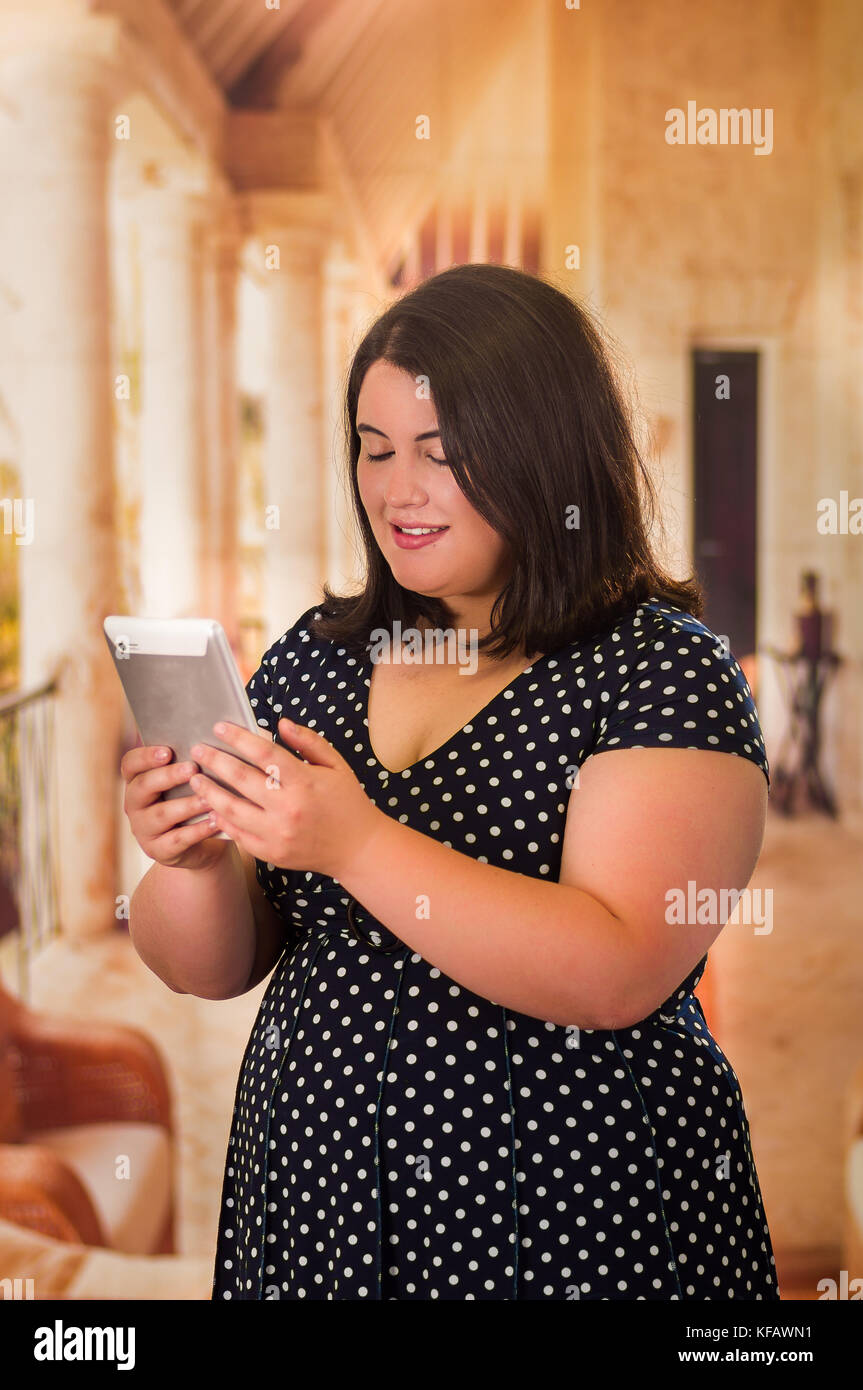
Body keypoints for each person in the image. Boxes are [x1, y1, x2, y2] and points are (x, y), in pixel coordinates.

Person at [123, 263, 779, 1301]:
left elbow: (617, 969)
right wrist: (195, 861)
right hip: (318, 1198)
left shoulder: (660, 669)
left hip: (575, 1211)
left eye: (441, 452)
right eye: (375, 450)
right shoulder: (318, 656)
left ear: (545, 449)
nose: (398, 489)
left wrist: (355, 843)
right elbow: (208, 966)